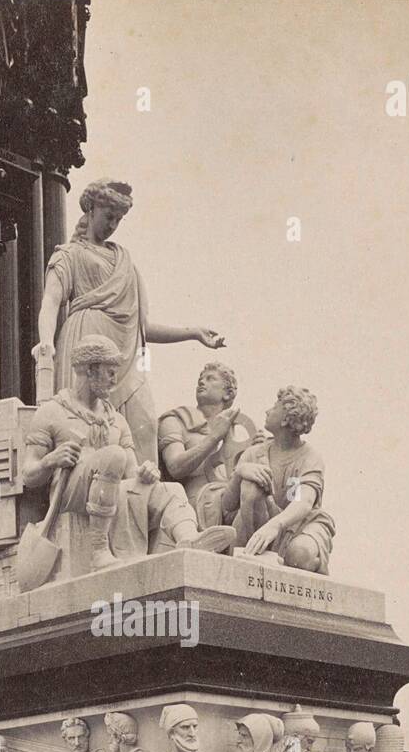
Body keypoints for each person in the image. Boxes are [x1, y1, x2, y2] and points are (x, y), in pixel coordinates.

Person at [33, 177, 226, 463]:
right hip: (86, 345)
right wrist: (46, 343)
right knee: (86, 430)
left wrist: (193, 333)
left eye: (119, 219)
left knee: (145, 423)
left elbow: (143, 327)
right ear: (90, 209)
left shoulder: (126, 262)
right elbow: (49, 301)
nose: (113, 225)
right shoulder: (69, 254)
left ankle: (143, 498)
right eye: (109, 216)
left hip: (126, 354)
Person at [23, 335, 235, 573]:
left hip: (112, 490)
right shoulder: (52, 411)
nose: (115, 380)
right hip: (71, 494)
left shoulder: (117, 420)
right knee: (113, 455)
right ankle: (99, 550)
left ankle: (189, 540)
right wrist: (51, 460)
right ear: (90, 370)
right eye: (110, 372)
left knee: (170, 490)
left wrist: (145, 474)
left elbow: (131, 472)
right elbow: (28, 475)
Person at [222, 386, 336, 572]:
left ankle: (311, 565)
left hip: (299, 525)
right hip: (258, 526)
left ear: (286, 419)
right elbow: (227, 505)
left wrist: (275, 526)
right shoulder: (253, 453)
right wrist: (240, 472)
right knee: (251, 485)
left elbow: (303, 501)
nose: (268, 411)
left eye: (275, 407)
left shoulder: (309, 457)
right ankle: (254, 553)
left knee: (300, 554)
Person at [158, 362, 257, 528]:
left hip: (230, 499)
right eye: (200, 379)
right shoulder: (176, 420)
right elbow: (175, 467)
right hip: (192, 504)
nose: (202, 382)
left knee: (257, 496)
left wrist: (257, 452)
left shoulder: (236, 433)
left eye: (210, 379)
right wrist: (214, 437)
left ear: (228, 393)